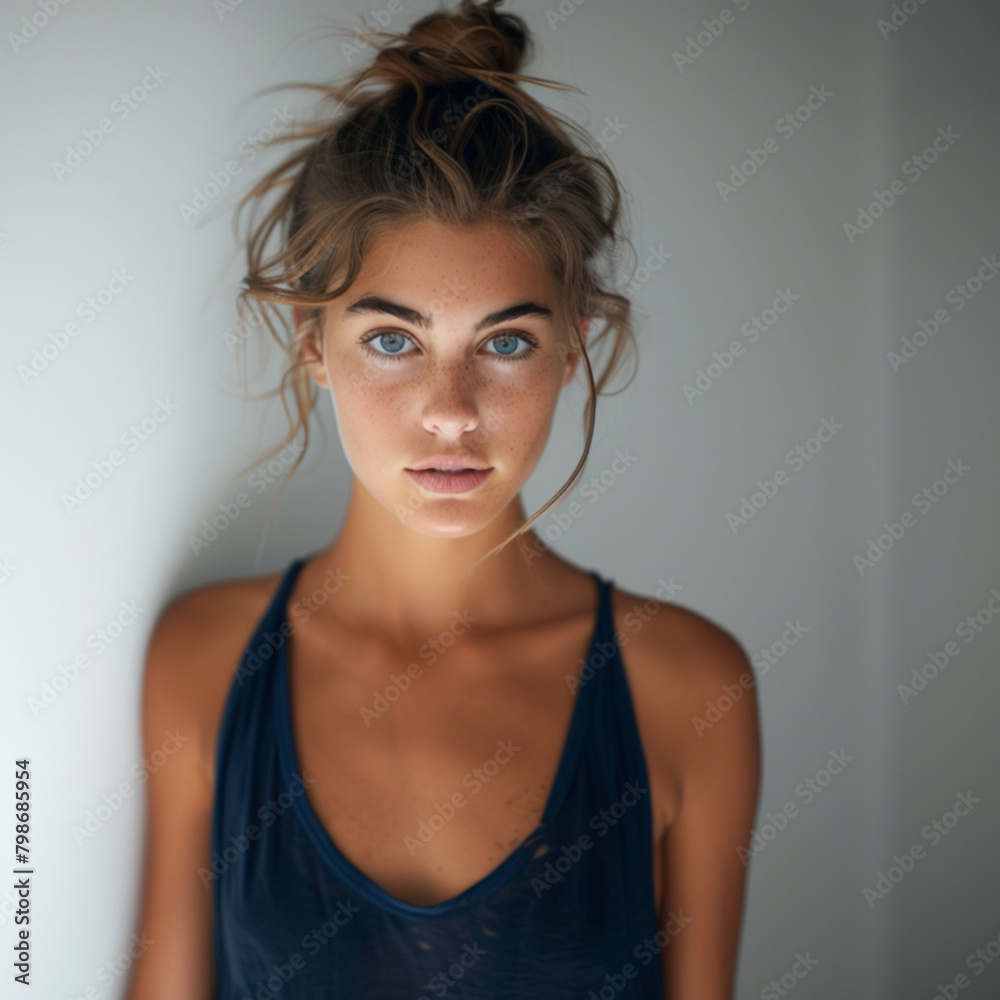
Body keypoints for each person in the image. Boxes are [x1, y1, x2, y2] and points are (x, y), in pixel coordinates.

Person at [126, 2, 761, 997]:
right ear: (311, 343)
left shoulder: (686, 689)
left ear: (571, 348)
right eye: (392, 340)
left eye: (504, 342)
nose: (451, 414)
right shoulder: (201, 663)